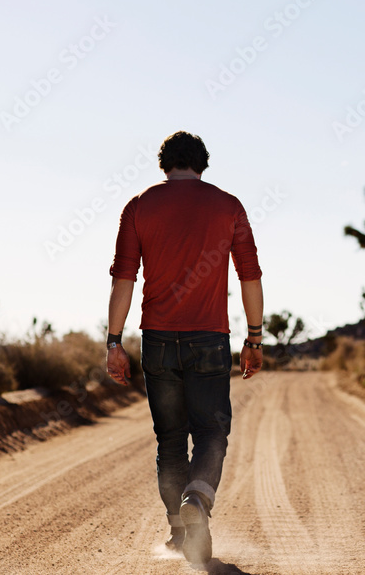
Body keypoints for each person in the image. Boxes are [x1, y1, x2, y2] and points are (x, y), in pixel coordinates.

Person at [105, 131, 264, 566]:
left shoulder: (138, 207)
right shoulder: (228, 206)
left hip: (158, 340)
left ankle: (179, 529)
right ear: (202, 164)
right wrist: (254, 338)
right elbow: (250, 275)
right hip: (210, 339)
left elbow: (124, 280)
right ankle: (197, 497)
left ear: (164, 164)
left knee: (170, 440)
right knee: (212, 431)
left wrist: (114, 343)